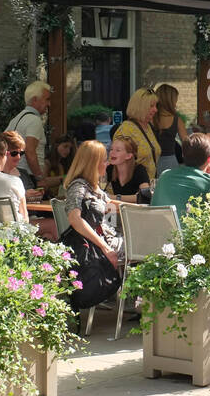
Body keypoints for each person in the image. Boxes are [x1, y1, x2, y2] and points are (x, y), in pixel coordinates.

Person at [62, 140, 125, 310]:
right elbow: (74, 218)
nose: (107, 163)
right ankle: (145, 305)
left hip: (102, 242)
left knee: (145, 242)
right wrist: (105, 247)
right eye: (104, 160)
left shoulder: (93, 187)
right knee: (148, 246)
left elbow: (111, 204)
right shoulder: (79, 186)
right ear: (94, 163)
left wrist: (141, 208)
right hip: (97, 246)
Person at [151, 133, 210, 220]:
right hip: (187, 233)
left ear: (183, 154)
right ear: (209, 158)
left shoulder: (164, 175)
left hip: (159, 231)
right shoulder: (209, 181)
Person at [5, 79, 52, 187]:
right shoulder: (34, 121)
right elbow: (30, 151)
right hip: (27, 176)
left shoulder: (16, 119)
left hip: (14, 173)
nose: (49, 104)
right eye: (47, 99)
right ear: (35, 100)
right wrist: (39, 177)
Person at [114, 87, 162, 182]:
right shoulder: (126, 130)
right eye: (151, 106)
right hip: (131, 191)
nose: (156, 110)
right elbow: (118, 165)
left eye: (156, 106)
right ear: (140, 107)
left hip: (147, 187)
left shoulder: (148, 127)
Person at [105, 134, 150, 202]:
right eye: (111, 149)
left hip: (135, 209)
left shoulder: (139, 170)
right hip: (118, 208)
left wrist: (115, 197)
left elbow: (145, 196)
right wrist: (101, 168)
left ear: (128, 156)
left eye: (118, 150)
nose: (112, 153)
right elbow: (97, 190)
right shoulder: (110, 168)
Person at [154, 84, 190, 163]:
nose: (176, 103)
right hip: (170, 160)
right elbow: (186, 143)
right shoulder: (176, 120)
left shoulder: (150, 118)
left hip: (151, 160)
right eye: (175, 100)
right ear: (171, 101)